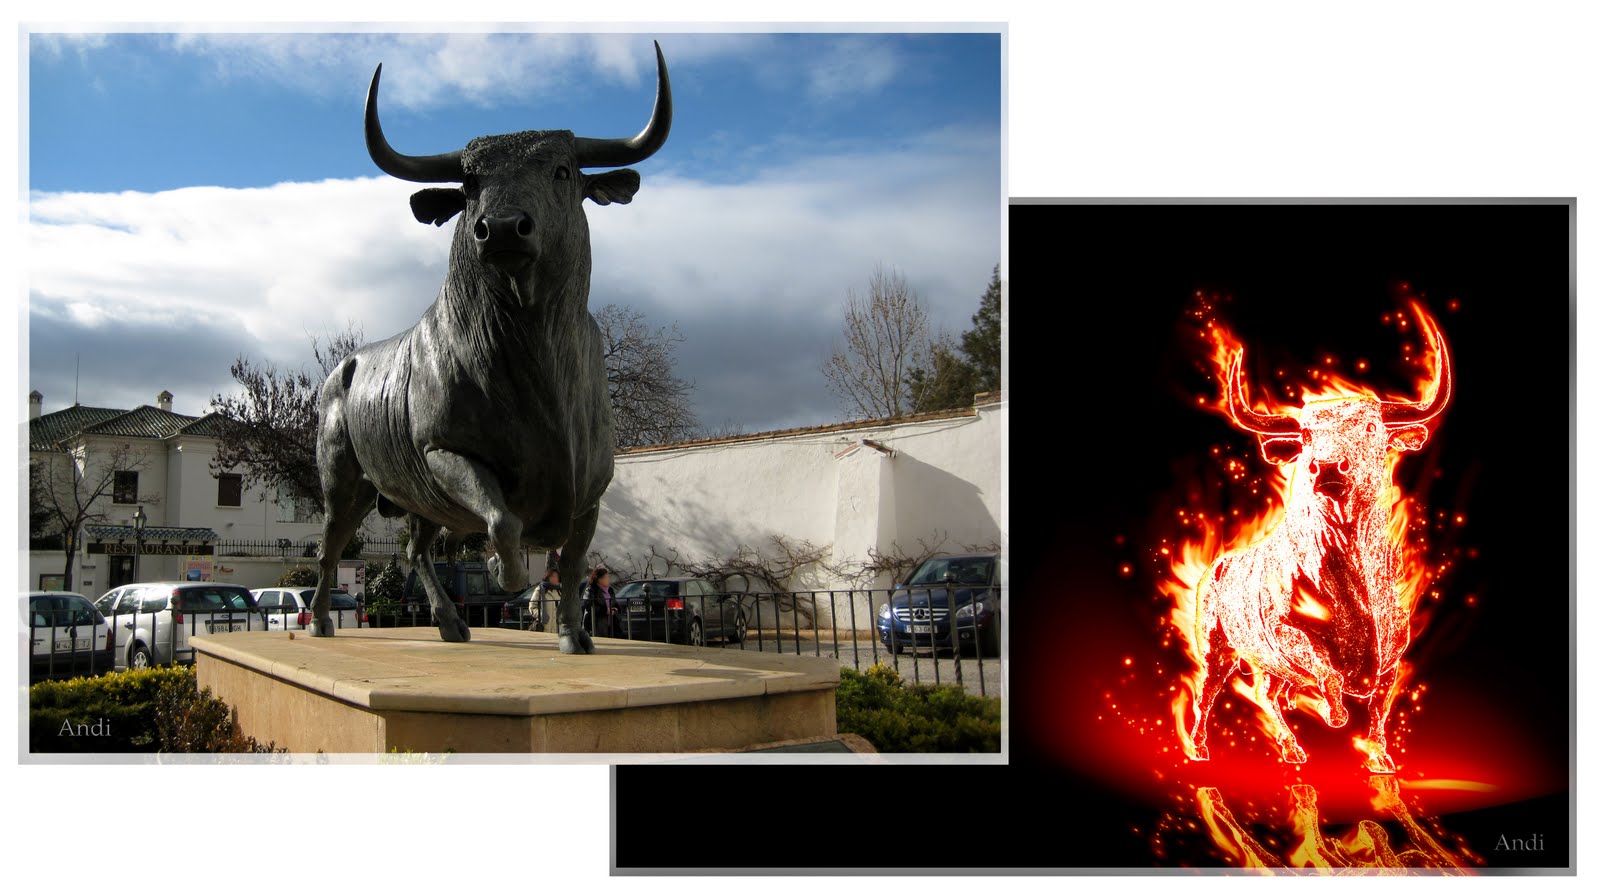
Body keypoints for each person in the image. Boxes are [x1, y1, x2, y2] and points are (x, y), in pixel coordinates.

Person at [581, 566, 616, 638]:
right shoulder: (591, 590)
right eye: (606, 577)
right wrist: (605, 611)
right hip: (595, 625)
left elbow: (614, 603)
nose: (608, 579)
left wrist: (615, 609)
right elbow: (589, 606)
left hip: (610, 625)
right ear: (599, 579)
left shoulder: (610, 590)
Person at [528, 567, 560, 632]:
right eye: (553, 576)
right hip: (543, 627)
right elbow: (532, 606)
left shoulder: (559, 592)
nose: (555, 579)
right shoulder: (540, 589)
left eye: (557, 577)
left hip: (556, 628)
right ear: (547, 577)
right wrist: (540, 614)